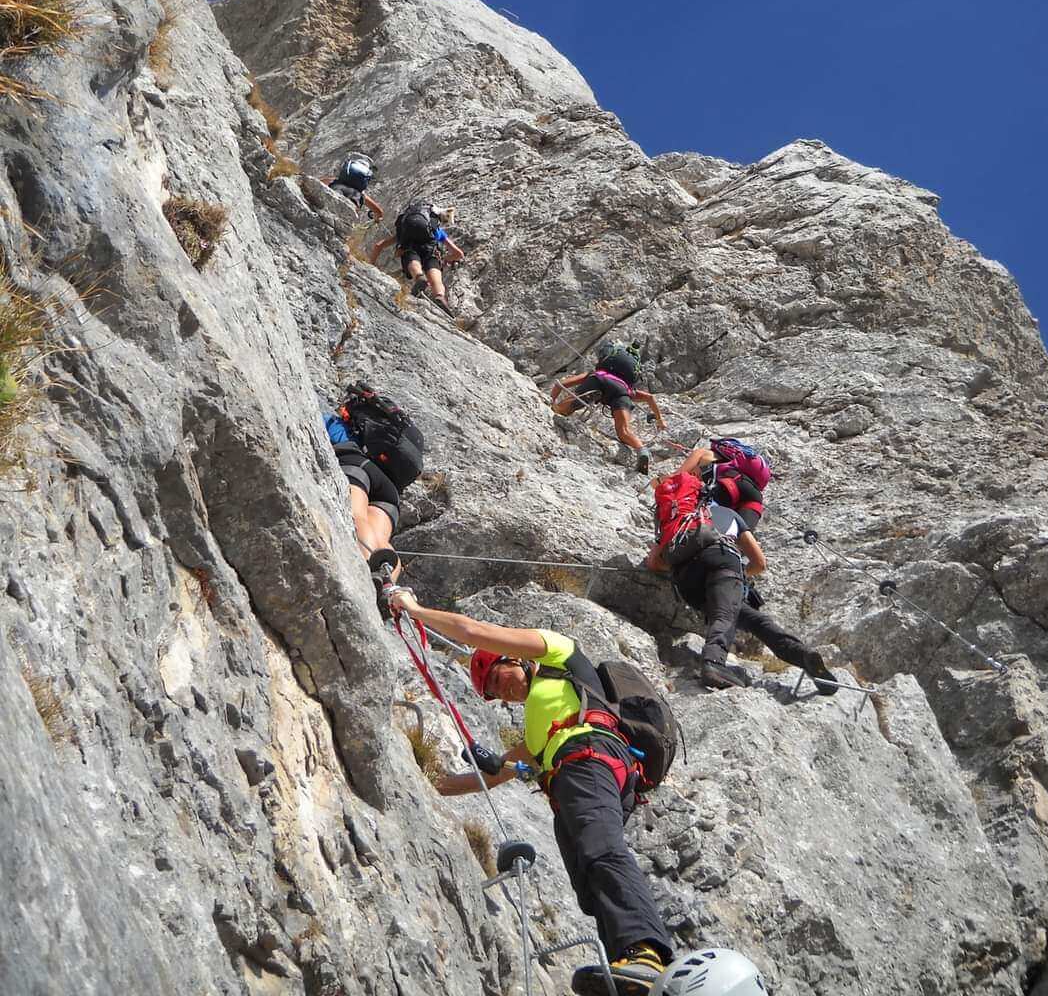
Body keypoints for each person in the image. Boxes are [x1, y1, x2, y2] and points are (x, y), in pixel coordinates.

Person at [387, 588, 674, 996]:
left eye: (497, 677)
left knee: (600, 849)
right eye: (490, 691)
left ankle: (645, 951)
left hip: (590, 759)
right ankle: (625, 970)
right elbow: (490, 779)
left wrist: (413, 610)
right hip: (574, 775)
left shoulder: (559, 655)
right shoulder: (539, 730)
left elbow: (473, 631)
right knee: (587, 878)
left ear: (515, 660)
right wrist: (419, 781)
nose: (499, 691)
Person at [646, 469, 838, 694]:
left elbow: (654, 563)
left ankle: (801, 654)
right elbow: (759, 562)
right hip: (721, 560)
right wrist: (740, 575)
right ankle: (714, 663)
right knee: (725, 615)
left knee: (751, 619)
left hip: (686, 579)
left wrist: (683, 563)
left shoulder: (677, 521)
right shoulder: (725, 514)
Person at [322, 385, 424, 601]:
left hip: (357, 466)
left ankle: (367, 575)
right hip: (390, 492)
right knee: (382, 540)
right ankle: (390, 591)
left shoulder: (336, 423)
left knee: (357, 516)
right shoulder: (386, 439)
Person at [550, 341, 665, 475]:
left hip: (599, 380)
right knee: (624, 431)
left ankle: (566, 406)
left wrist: (550, 400)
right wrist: (660, 419)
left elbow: (561, 384)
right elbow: (649, 397)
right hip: (621, 392)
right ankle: (642, 450)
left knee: (570, 403)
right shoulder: (628, 387)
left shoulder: (597, 372)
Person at [370, 200, 464, 316]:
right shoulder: (436, 231)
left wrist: (371, 264)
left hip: (409, 244)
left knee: (410, 254)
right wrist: (446, 259)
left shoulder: (404, 232)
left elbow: (379, 245)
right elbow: (458, 253)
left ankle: (419, 276)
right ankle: (440, 296)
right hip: (431, 248)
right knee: (433, 266)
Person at [325, 152, 384, 220]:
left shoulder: (334, 181)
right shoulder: (361, 195)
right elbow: (379, 212)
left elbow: (316, 182)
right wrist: (376, 218)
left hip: (333, 197)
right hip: (348, 214)